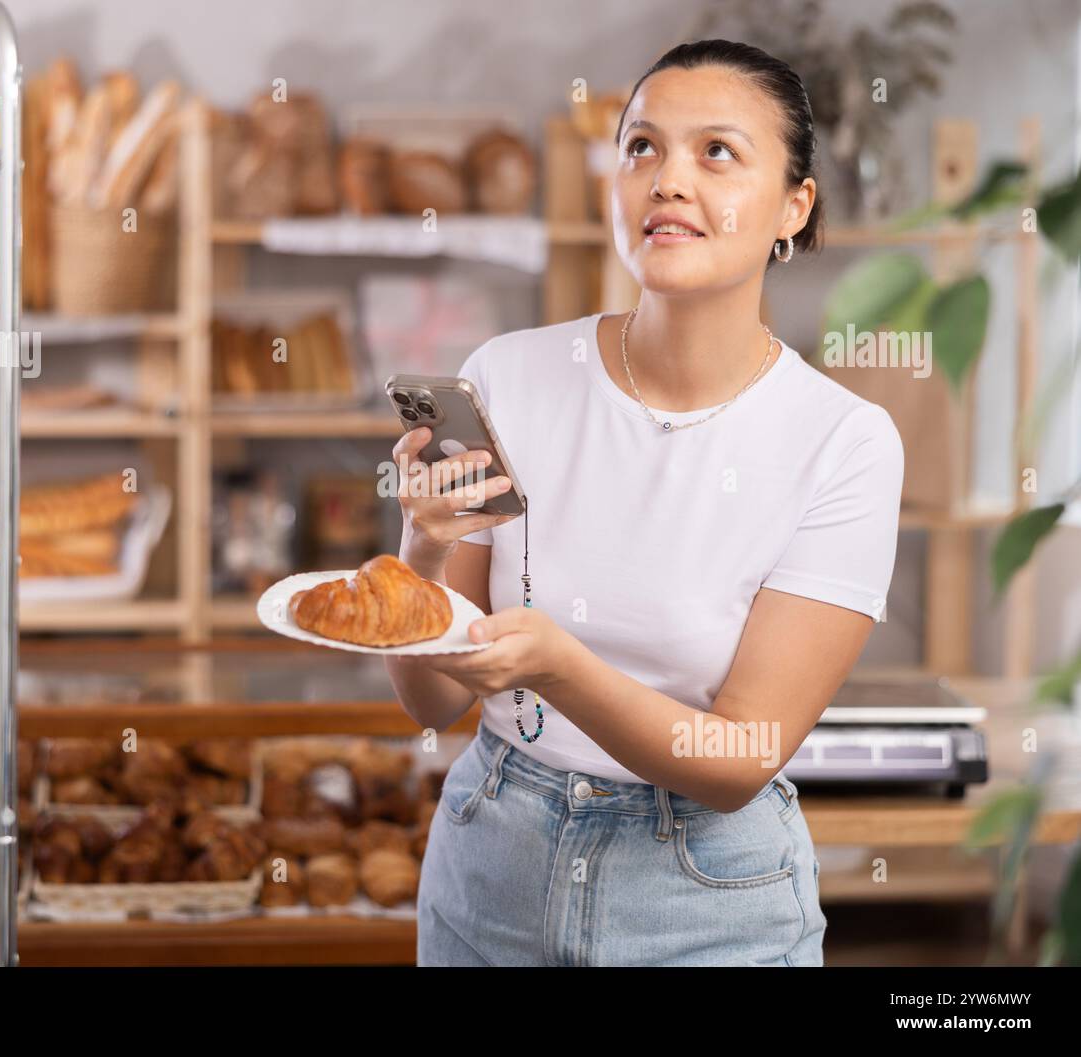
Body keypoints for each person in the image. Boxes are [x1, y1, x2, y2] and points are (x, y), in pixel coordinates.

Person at [386, 39, 904, 966]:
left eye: (717, 152)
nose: (668, 179)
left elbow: (739, 762)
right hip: (489, 862)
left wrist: (558, 666)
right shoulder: (506, 375)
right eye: (641, 148)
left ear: (795, 205)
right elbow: (429, 702)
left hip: (706, 899)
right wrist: (419, 557)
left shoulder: (844, 444)